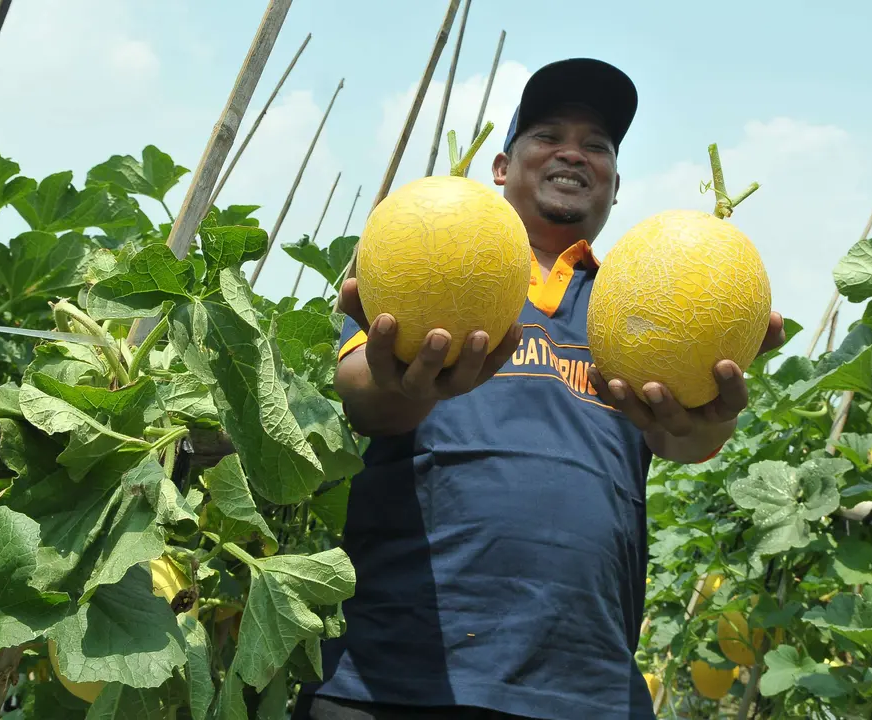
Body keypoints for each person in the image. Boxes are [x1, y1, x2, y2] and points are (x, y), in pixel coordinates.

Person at [293, 58, 786, 720]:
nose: (574, 154)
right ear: (501, 167)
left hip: (586, 689)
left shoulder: (645, 302)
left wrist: (703, 420)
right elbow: (362, 391)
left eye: (597, 145)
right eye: (549, 134)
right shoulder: (436, 268)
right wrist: (407, 383)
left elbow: (684, 438)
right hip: (397, 677)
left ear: (616, 185)